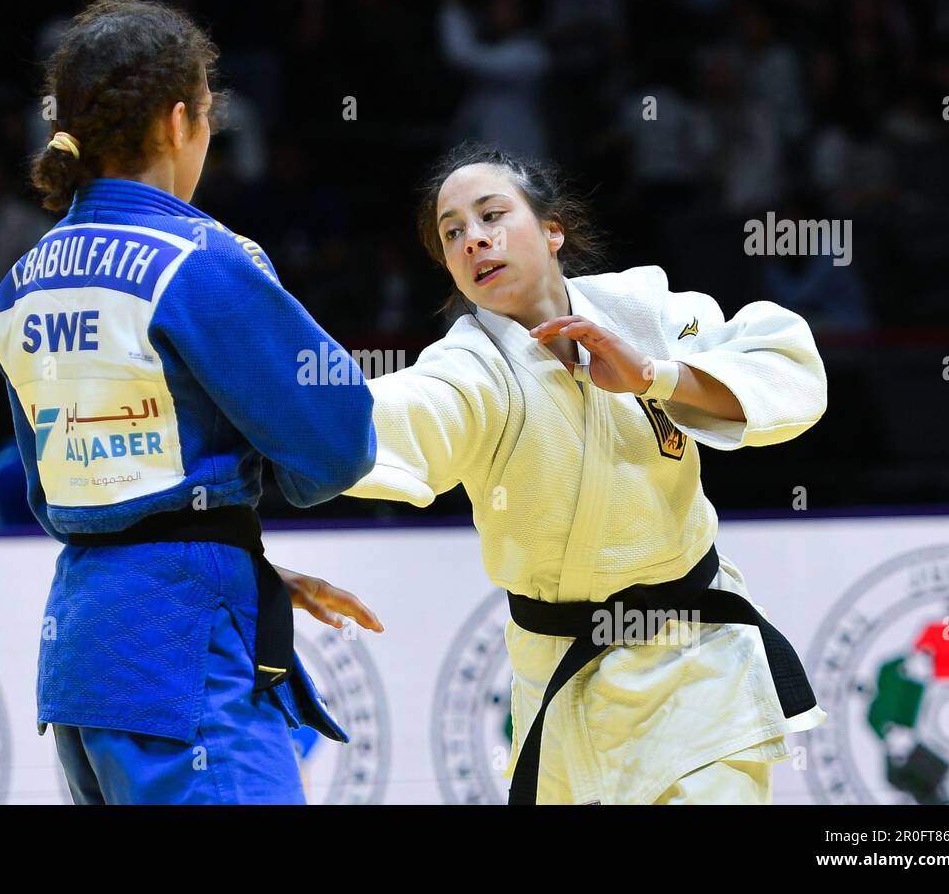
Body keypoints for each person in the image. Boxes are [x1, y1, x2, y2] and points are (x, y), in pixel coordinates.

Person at [0, 0, 382, 805]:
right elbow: (339, 444)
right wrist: (218, 540)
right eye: (208, 117)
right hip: (184, 659)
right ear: (177, 121)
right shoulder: (201, 259)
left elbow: (57, 497)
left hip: (85, 660)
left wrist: (227, 546)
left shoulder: (14, 290)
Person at [344, 144, 828, 804]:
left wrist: (654, 377)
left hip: (698, 655)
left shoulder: (640, 310)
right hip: (564, 680)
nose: (474, 241)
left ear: (552, 229)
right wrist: (277, 396)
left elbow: (788, 371)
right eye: (453, 233)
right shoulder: (468, 368)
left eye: (491, 216)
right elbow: (390, 418)